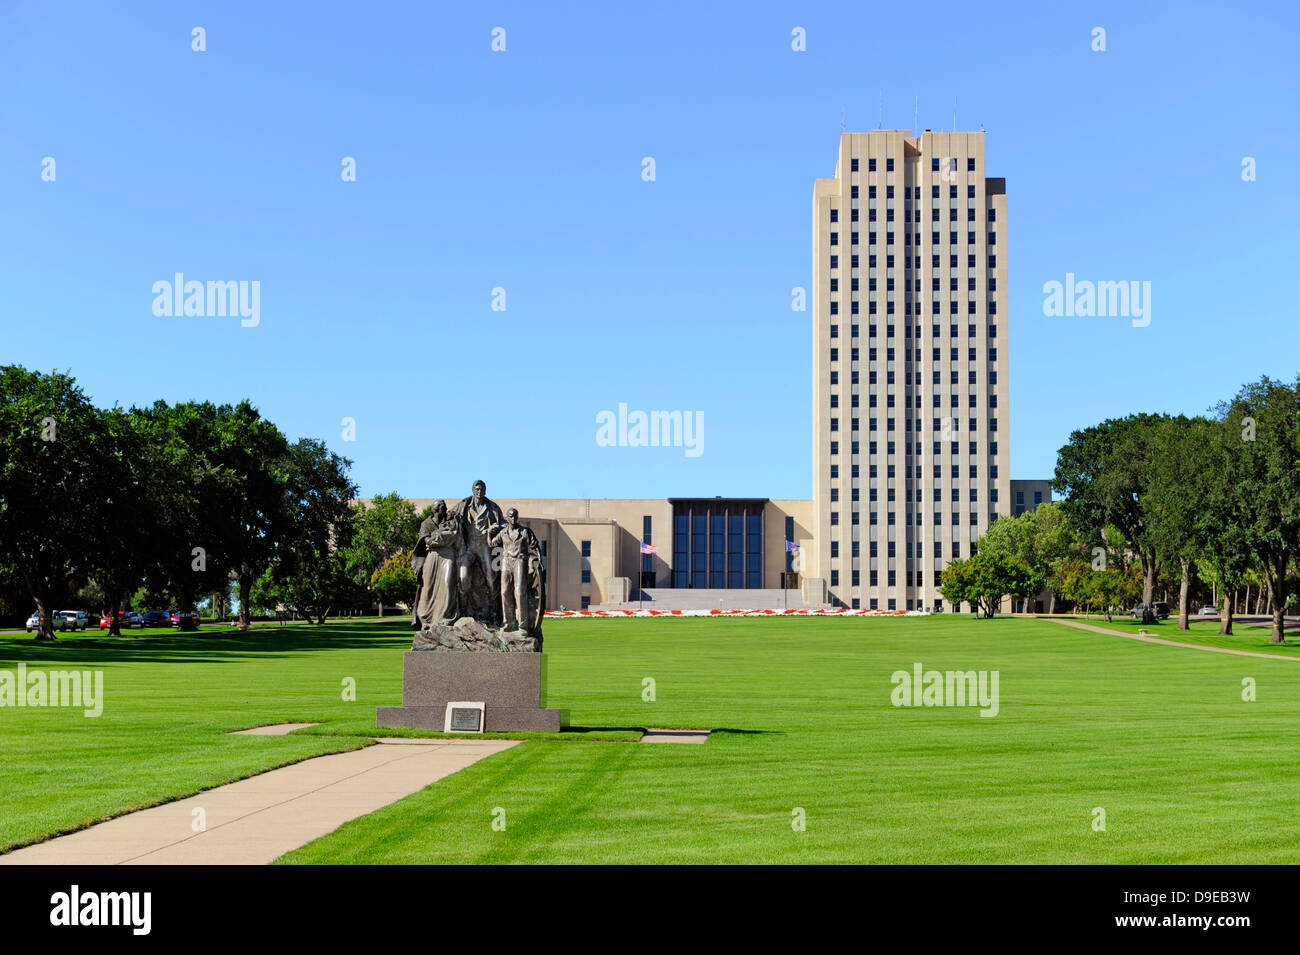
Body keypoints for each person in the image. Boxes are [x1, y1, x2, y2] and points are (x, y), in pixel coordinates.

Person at [449, 479, 506, 626]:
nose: (479, 491)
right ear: (473, 490)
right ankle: (462, 613)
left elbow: (504, 524)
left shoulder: (492, 507)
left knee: (491, 580)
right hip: (468, 547)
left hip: (485, 546)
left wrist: (496, 527)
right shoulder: (464, 505)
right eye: (477, 488)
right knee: (463, 578)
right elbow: (449, 517)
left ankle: (494, 615)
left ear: (485, 491)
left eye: (482, 489)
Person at [488, 508, 545, 639]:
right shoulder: (503, 533)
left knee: (519, 592)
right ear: (507, 518)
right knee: (504, 592)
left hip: (520, 560)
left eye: (515, 516)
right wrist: (489, 533)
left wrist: (539, 561)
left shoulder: (525, 531)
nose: (513, 519)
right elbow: (491, 543)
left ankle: (522, 626)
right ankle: (508, 622)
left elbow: (535, 546)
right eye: (510, 516)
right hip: (506, 562)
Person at [411, 500, 463, 629]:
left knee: (448, 583)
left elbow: (455, 535)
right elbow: (426, 541)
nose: (444, 509)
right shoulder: (427, 523)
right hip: (433, 557)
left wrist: (438, 539)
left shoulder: (450, 521)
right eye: (441, 508)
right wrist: (439, 539)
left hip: (448, 555)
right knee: (427, 587)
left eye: (444, 507)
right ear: (435, 510)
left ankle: (446, 617)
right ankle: (426, 619)